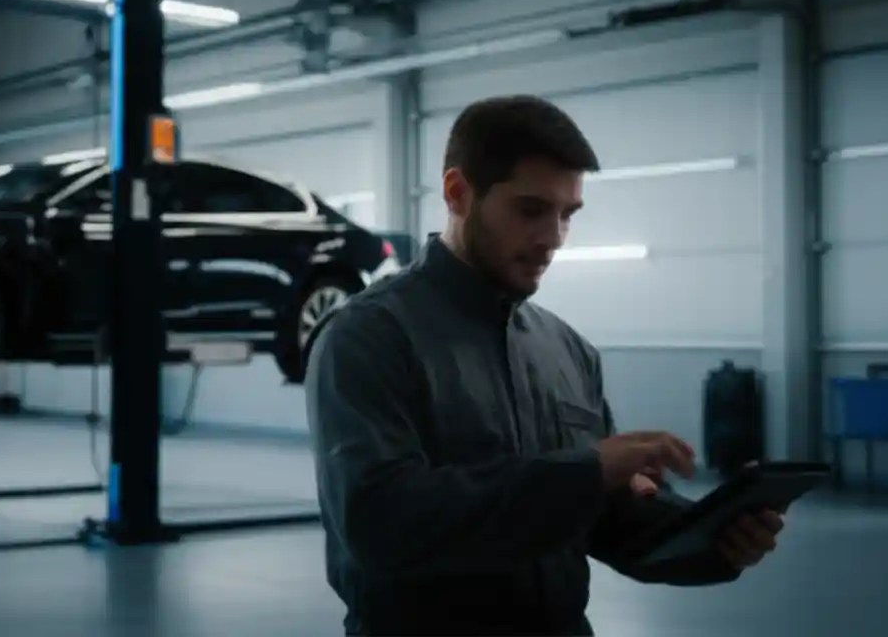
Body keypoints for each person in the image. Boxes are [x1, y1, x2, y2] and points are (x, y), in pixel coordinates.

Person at [304, 95, 785, 636]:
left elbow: (607, 519)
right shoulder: (369, 338)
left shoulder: (569, 350)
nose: (554, 237)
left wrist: (711, 539)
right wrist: (588, 470)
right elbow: (381, 525)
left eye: (567, 214)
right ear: (458, 193)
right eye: (531, 210)